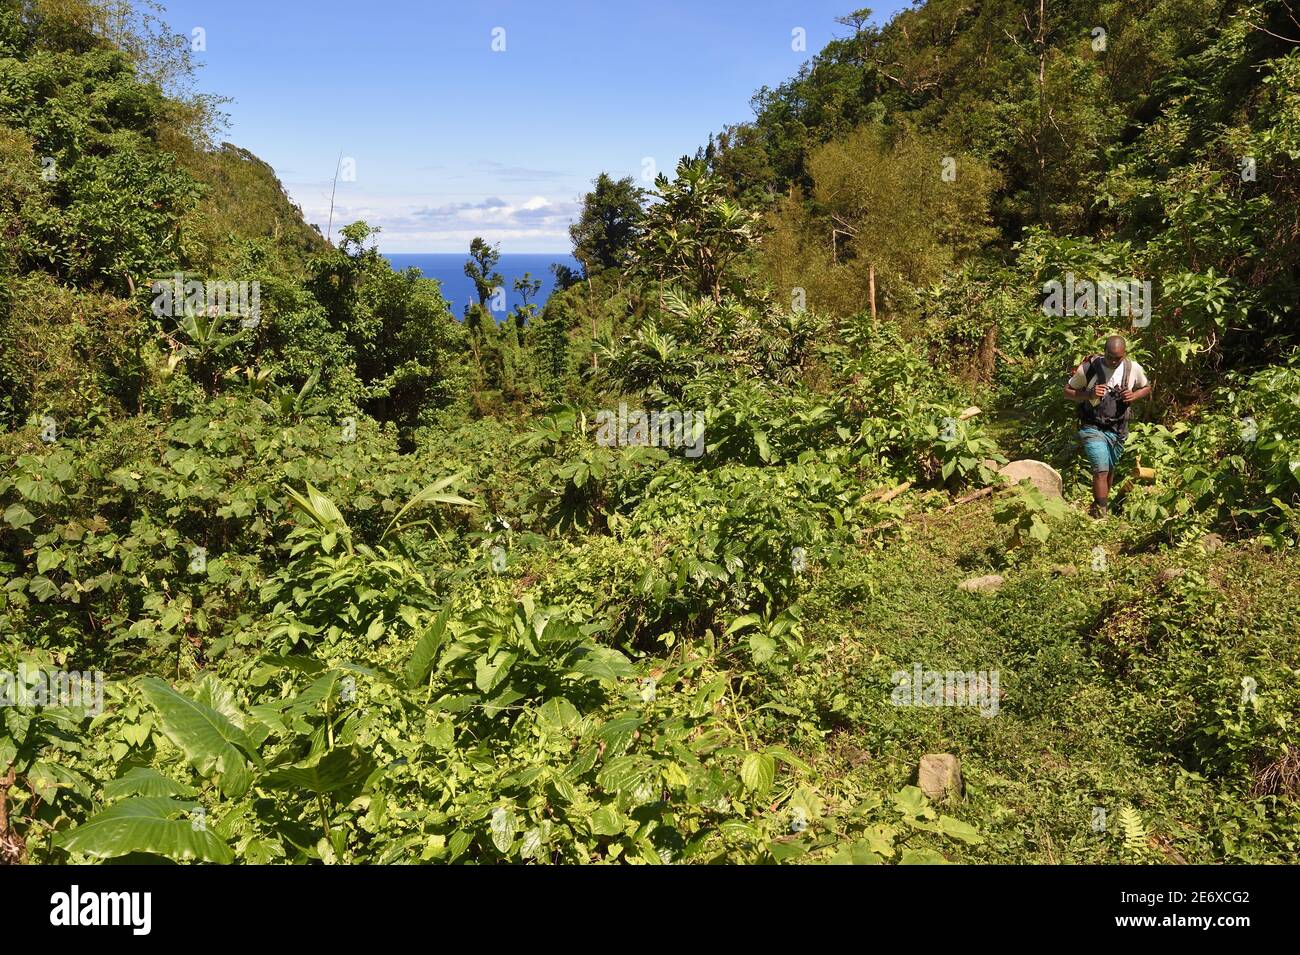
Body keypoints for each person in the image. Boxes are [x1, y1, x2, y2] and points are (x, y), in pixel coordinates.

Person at [1063, 335, 1153, 518]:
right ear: (1104, 352)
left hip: (1118, 428)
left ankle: (1098, 506)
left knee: (1110, 469)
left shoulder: (1132, 368)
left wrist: (1134, 396)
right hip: (1092, 425)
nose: (1113, 361)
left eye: (1117, 358)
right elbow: (1067, 392)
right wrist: (1089, 393)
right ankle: (1101, 514)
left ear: (1124, 354)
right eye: (1109, 356)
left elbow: (1146, 387)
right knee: (1101, 468)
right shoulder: (1089, 368)